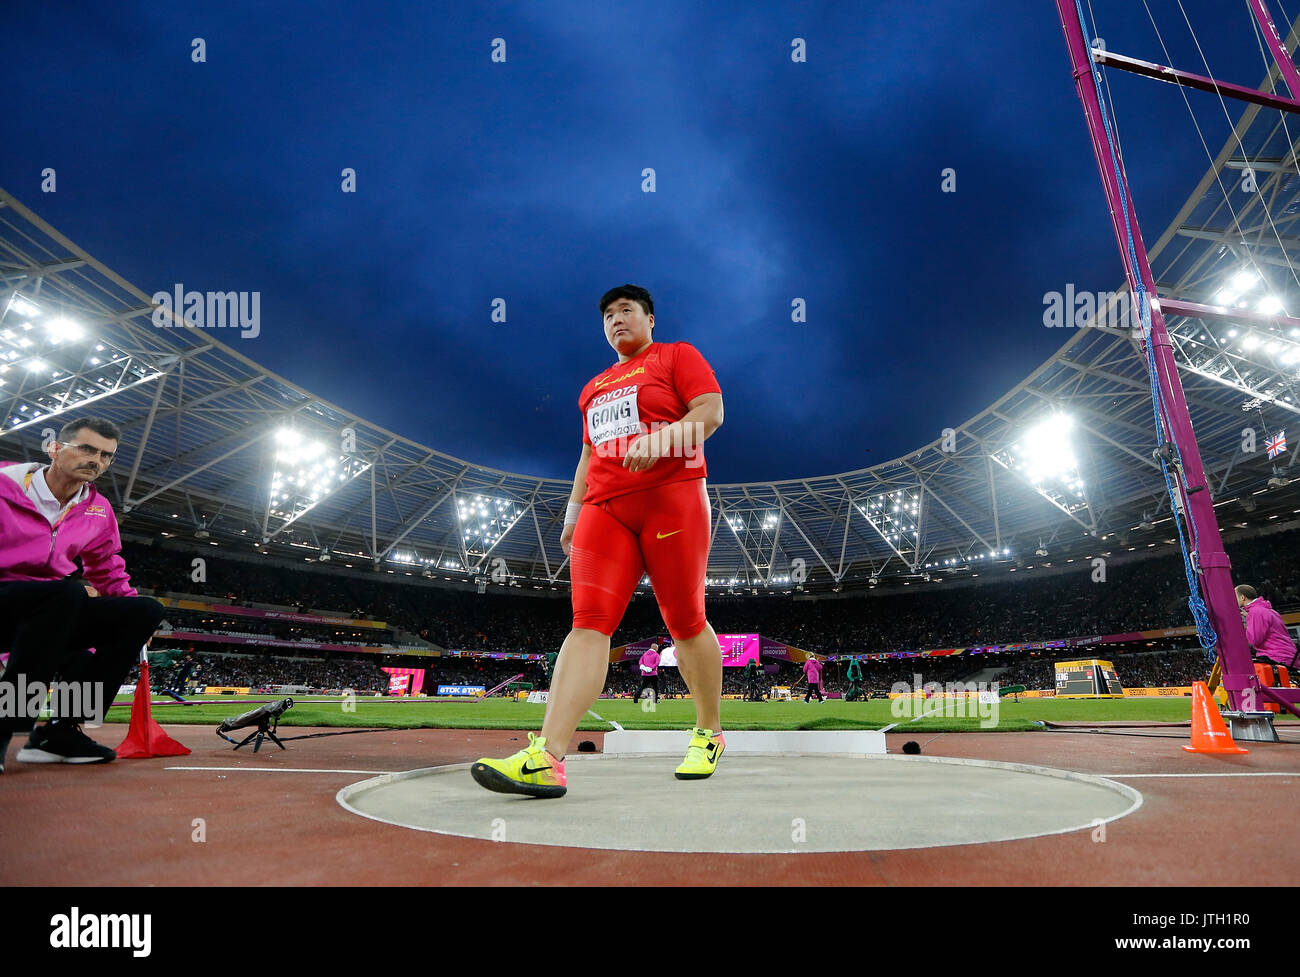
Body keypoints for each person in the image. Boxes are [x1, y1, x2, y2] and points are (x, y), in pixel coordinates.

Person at [471, 284, 726, 798]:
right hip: (604, 510)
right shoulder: (593, 388)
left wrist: (661, 440)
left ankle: (708, 733)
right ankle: (547, 755)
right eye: (608, 315)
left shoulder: (677, 355)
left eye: (626, 310)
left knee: (684, 622)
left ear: (650, 318)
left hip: (670, 496)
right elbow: (587, 458)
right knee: (587, 624)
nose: (616, 320)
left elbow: (710, 414)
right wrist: (572, 514)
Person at [0, 417, 165, 770]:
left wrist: (136, 625)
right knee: (66, 594)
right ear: (55, 448)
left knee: (143, 610)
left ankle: (60, 731)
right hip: (7, 602)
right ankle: (5, 724)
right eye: (87, 449)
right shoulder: (4, 485)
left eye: (106, 455)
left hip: (50, 611)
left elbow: (106, 567)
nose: (97, 460)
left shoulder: (97, 508)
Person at [1236, 584, 1299, 669]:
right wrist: (1249, 617)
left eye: (1235, 596)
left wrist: (1243, 626)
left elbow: (1254, 640)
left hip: (1276, 657)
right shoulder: (1268, 610)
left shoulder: (1255, 612)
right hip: (1289, 655)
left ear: (1242, 597)